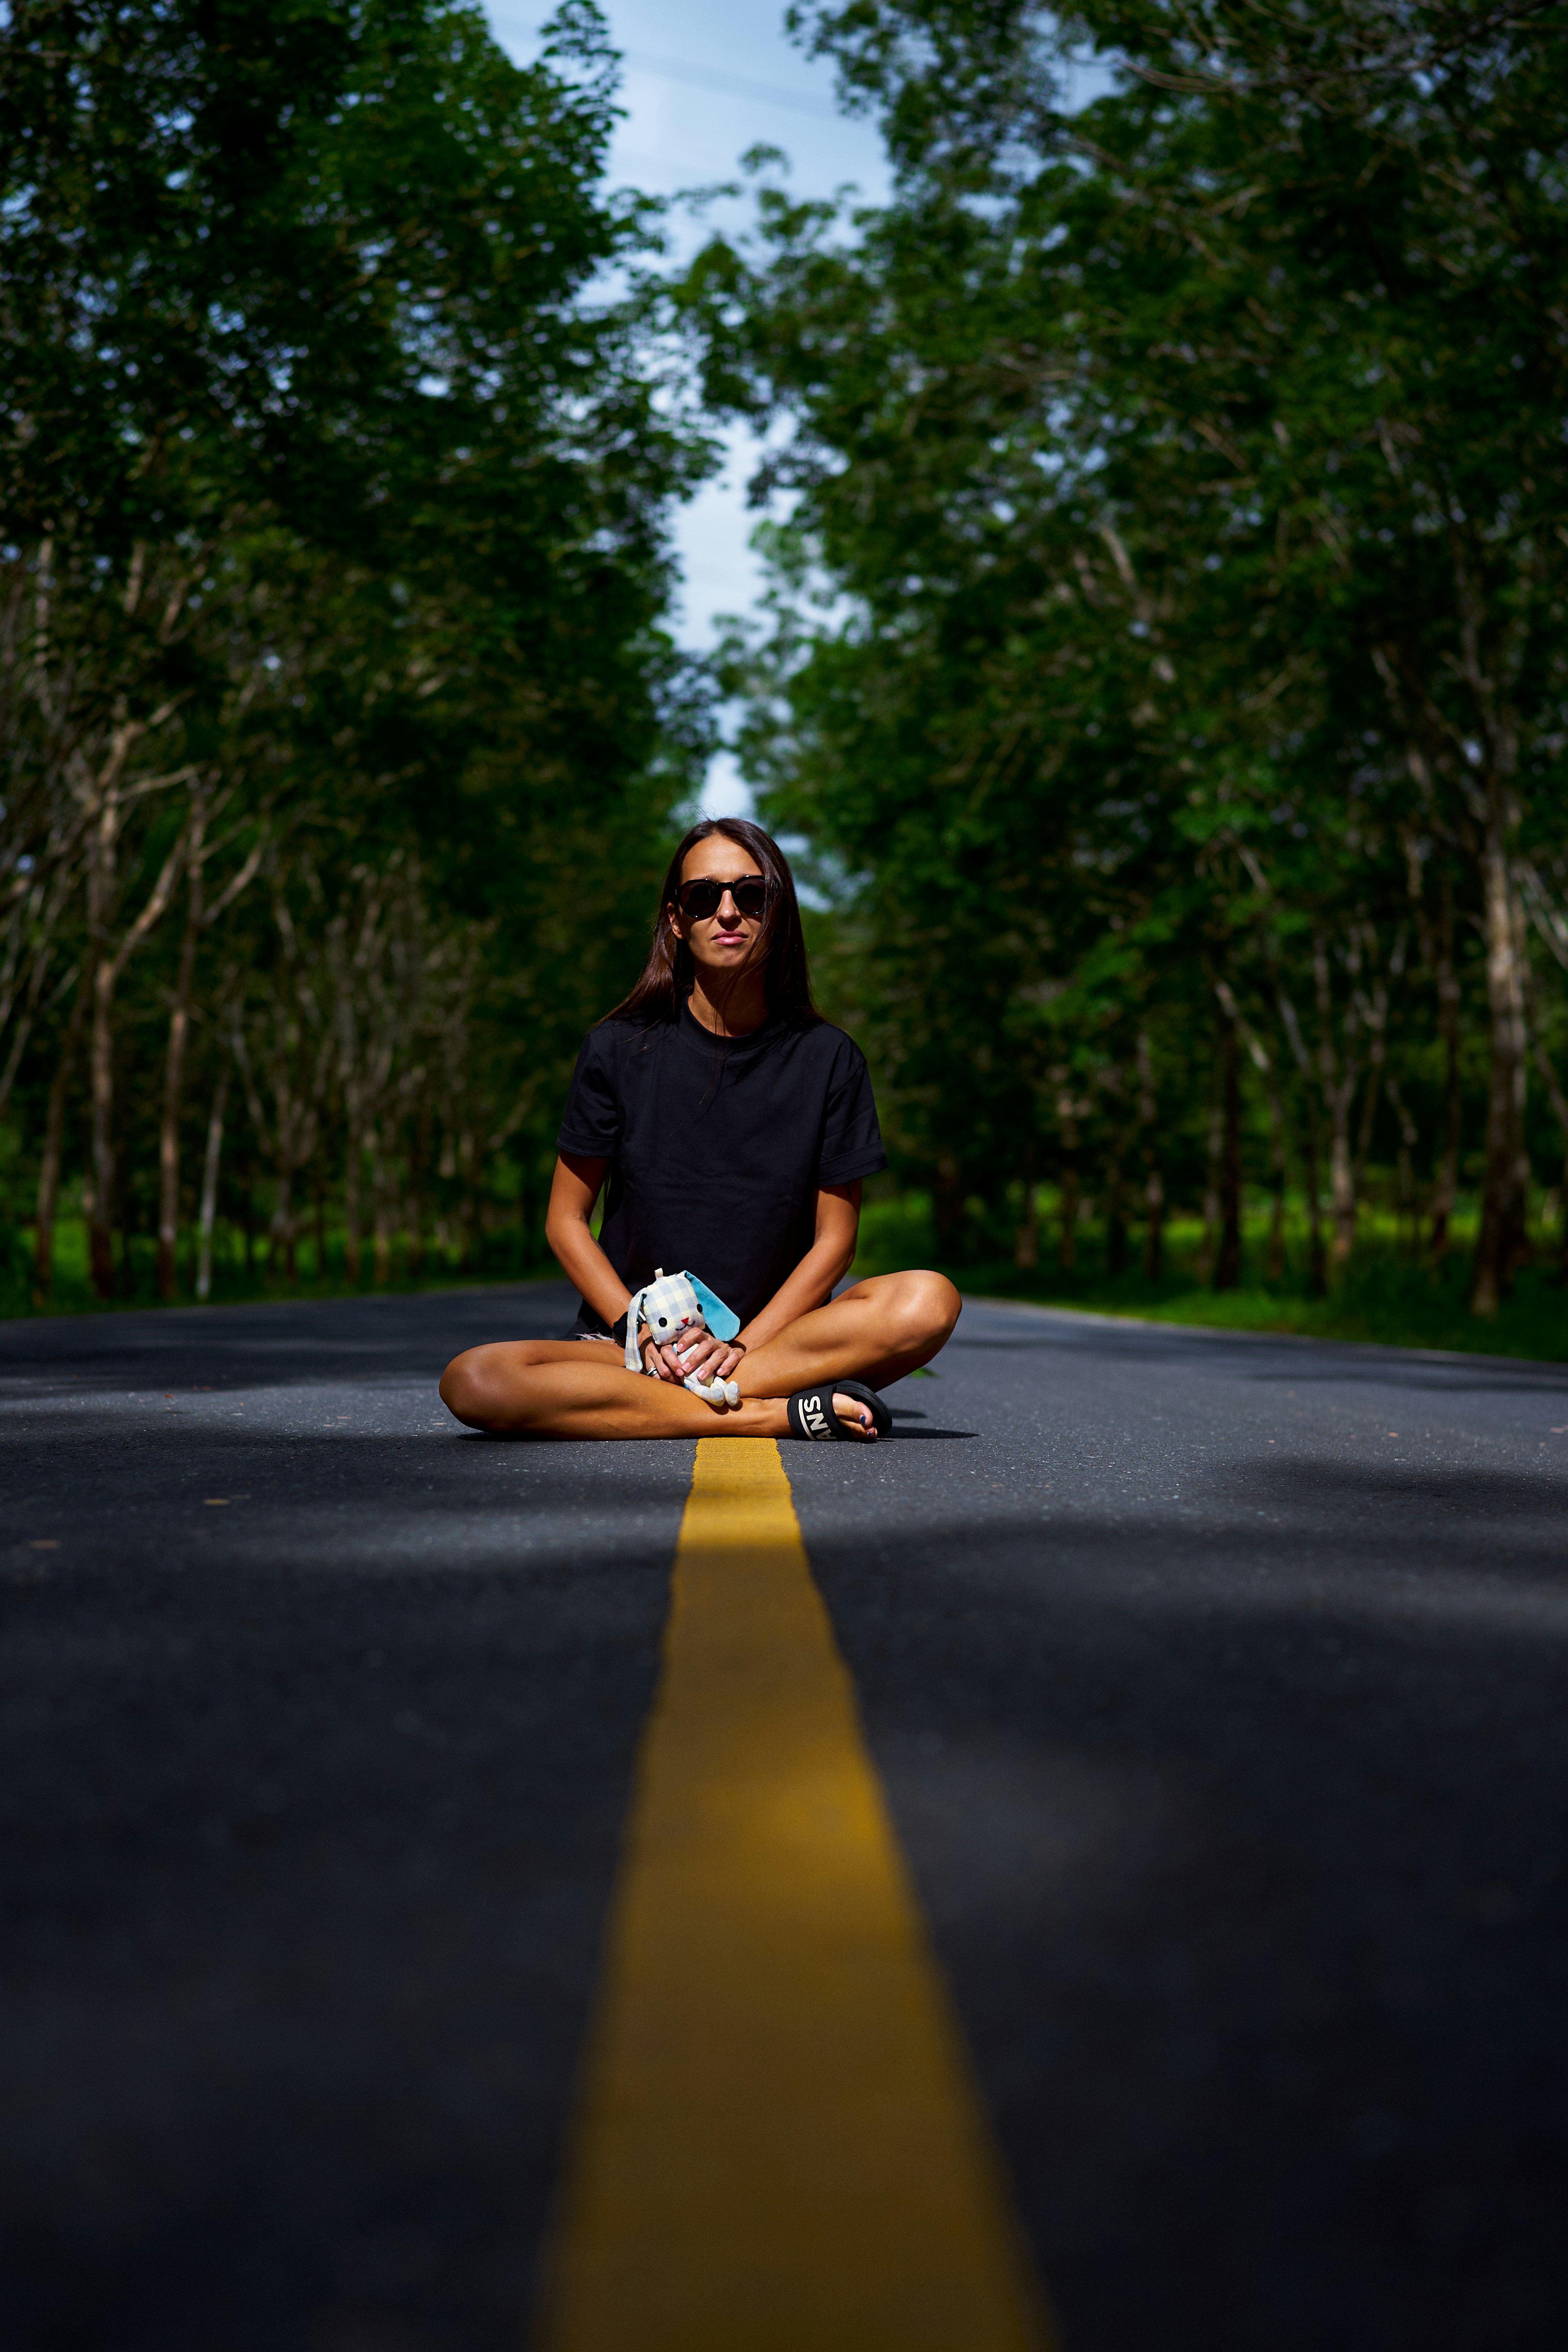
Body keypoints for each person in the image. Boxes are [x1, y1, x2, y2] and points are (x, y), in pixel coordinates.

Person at [438, 818, 959, 1441]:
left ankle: (693, 1398)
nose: (728, 912)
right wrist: (639, 1334)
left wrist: (739, 1346)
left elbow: (834, 1243)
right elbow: (566, 1221)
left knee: (928, 1300)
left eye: (751, 895)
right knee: (476, 1378)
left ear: (777, 913)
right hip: (634, 1352)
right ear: (676, 920)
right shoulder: (616, 1050)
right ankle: (772, 1414)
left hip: (771, 1346)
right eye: (703, 896)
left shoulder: (830, 1058)